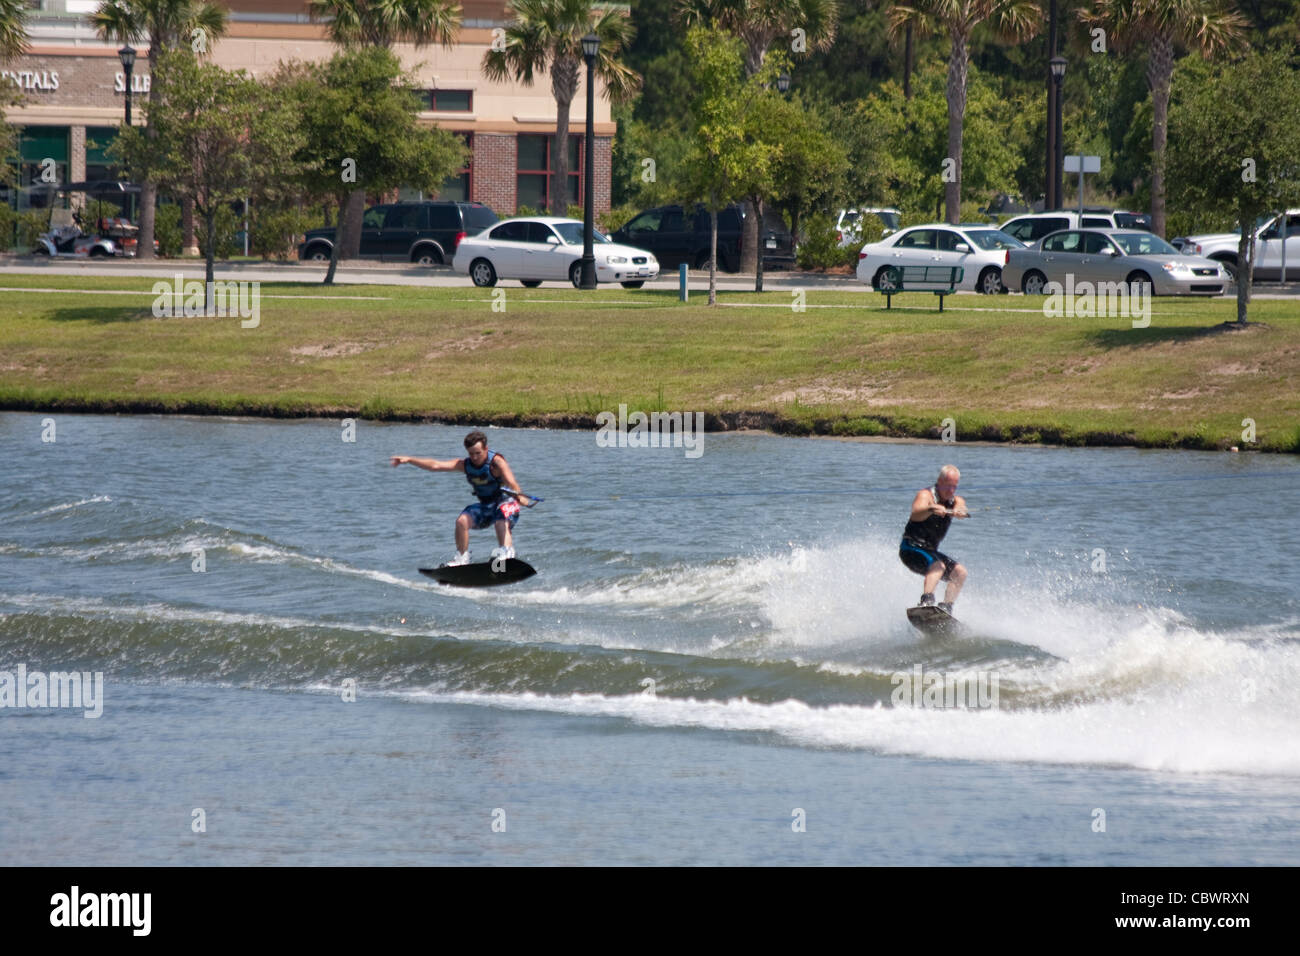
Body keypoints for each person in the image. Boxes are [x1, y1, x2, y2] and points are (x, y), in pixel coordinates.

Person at [391, 430, 524, 567]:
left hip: (506, 502)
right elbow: (435, 465)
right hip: (486, 506)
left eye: (478, 453)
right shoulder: (465, 465)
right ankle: (462, 559)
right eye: (471, 453)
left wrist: (519, 496)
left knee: (501, 521)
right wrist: (409, 460)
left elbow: (511, 482)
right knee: (462, 521)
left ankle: (506, 553)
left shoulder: (496, 462)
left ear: (486, 449)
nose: (474, 457)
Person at [899, 465, 970, 613]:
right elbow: (916, 514)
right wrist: (931, 509)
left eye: (954, 487)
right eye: (947, 486)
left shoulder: (955, 500)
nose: (950, 490)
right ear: (939, 482)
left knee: (960, 572)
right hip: (911, 549)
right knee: (939, 566)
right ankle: (926, 601)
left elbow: (962, 508)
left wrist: (960, 512)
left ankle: (946, 608)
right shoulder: (926, 495)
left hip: (930, 552)